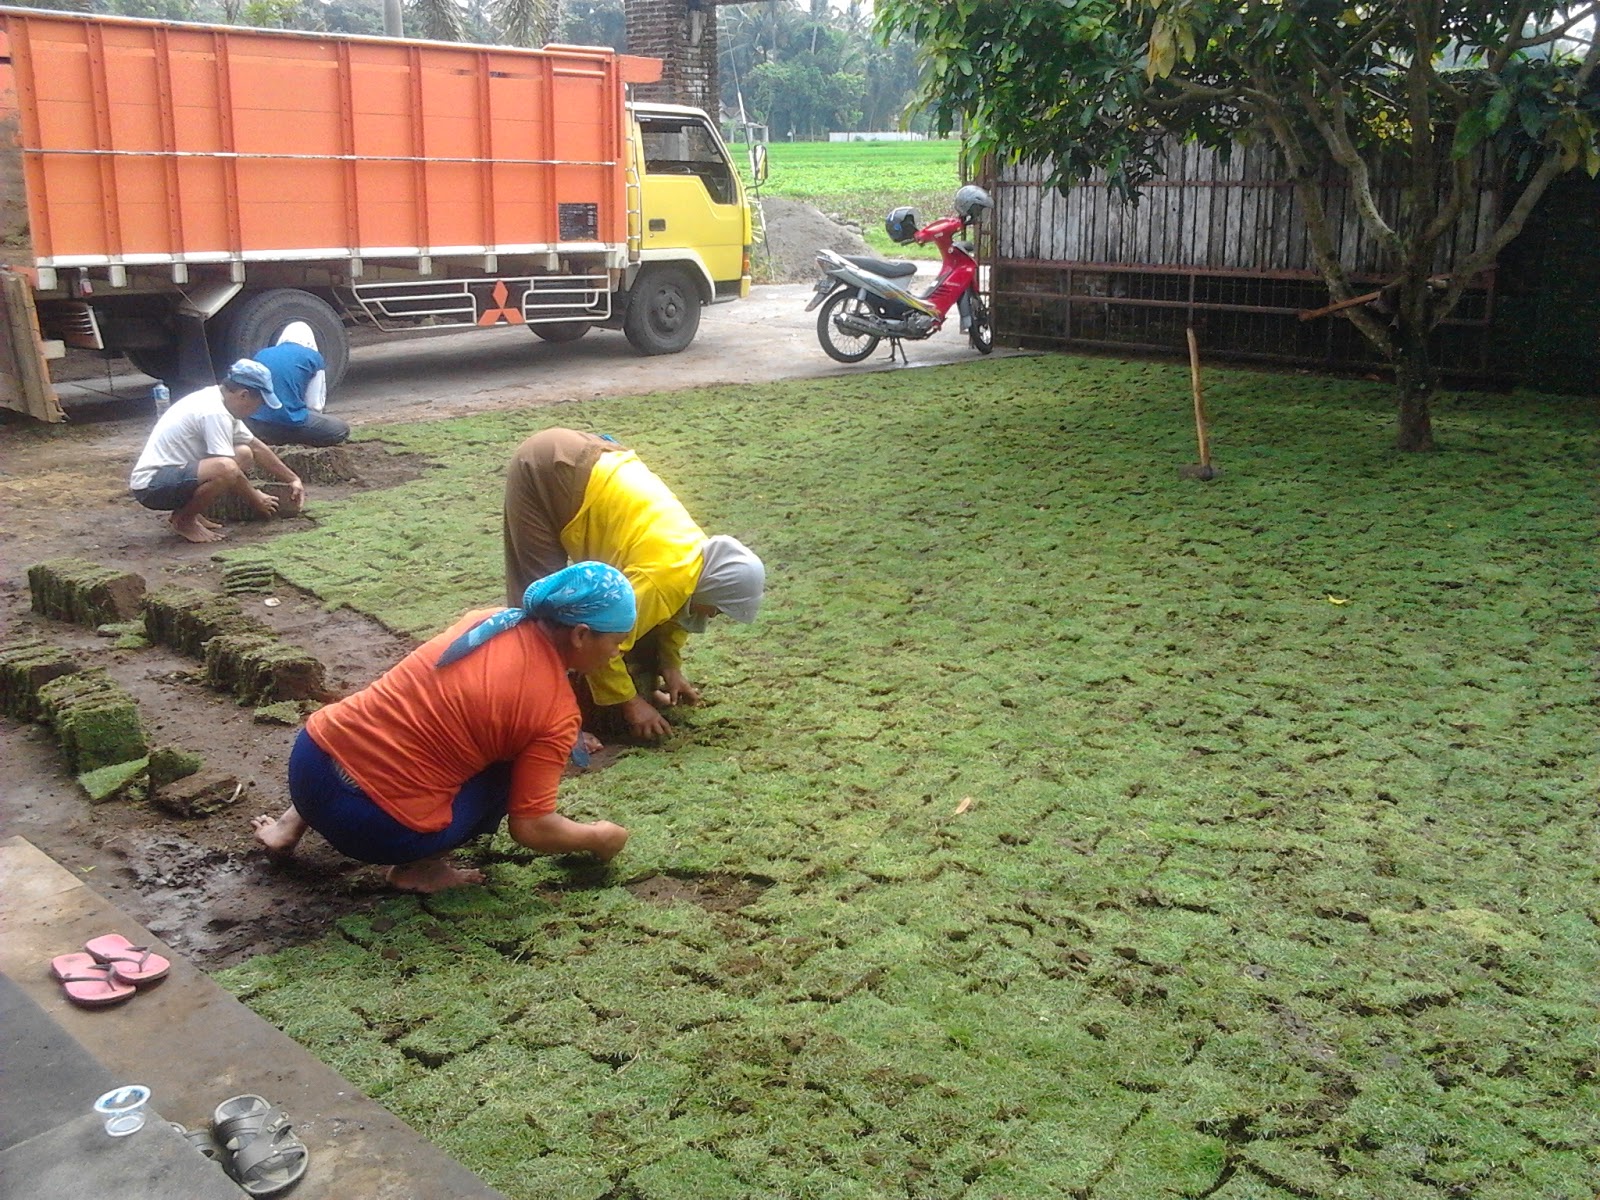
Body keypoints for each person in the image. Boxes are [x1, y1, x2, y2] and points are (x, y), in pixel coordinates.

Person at [251, 562, 635, 893]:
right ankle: (421, 870)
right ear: (581, 634)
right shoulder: (555, 712)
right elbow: (532, 828)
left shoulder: (486, 621)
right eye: (617, 642)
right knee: (512, 768)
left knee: (389, 716)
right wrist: (599, 837)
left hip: (309, 763)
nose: (618, 652)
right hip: (372, 826)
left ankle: (288, 827)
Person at [503, 427, 765, 741]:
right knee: (544, 614)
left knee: (623, 620)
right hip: (550, 470)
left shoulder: (693, 560)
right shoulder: (663, 575)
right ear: (716, 585)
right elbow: (600, 635)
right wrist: (631, 704)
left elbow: (668, 615)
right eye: (718, 609)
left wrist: (670, 667)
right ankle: (551, 730)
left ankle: (612, 699)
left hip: (591, 460)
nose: (711, 616)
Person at [128, 359, 307, 544]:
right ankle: (184, 520)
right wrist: (255, 498)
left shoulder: (221, 401)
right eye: (259, 403)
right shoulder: (214, 412)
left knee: (244, 453)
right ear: (244, 395)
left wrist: (292, 478)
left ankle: (190, 512)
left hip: (176, 474)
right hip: (152, 485)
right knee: (226, 468)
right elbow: (227, 469)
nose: (258, 409)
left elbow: (255, 446)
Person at [242, 322, 350, 447]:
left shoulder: (261, 354)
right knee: (340, 429)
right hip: (288, 423)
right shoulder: (313, 357)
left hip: (253, 423)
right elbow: (315, 405)